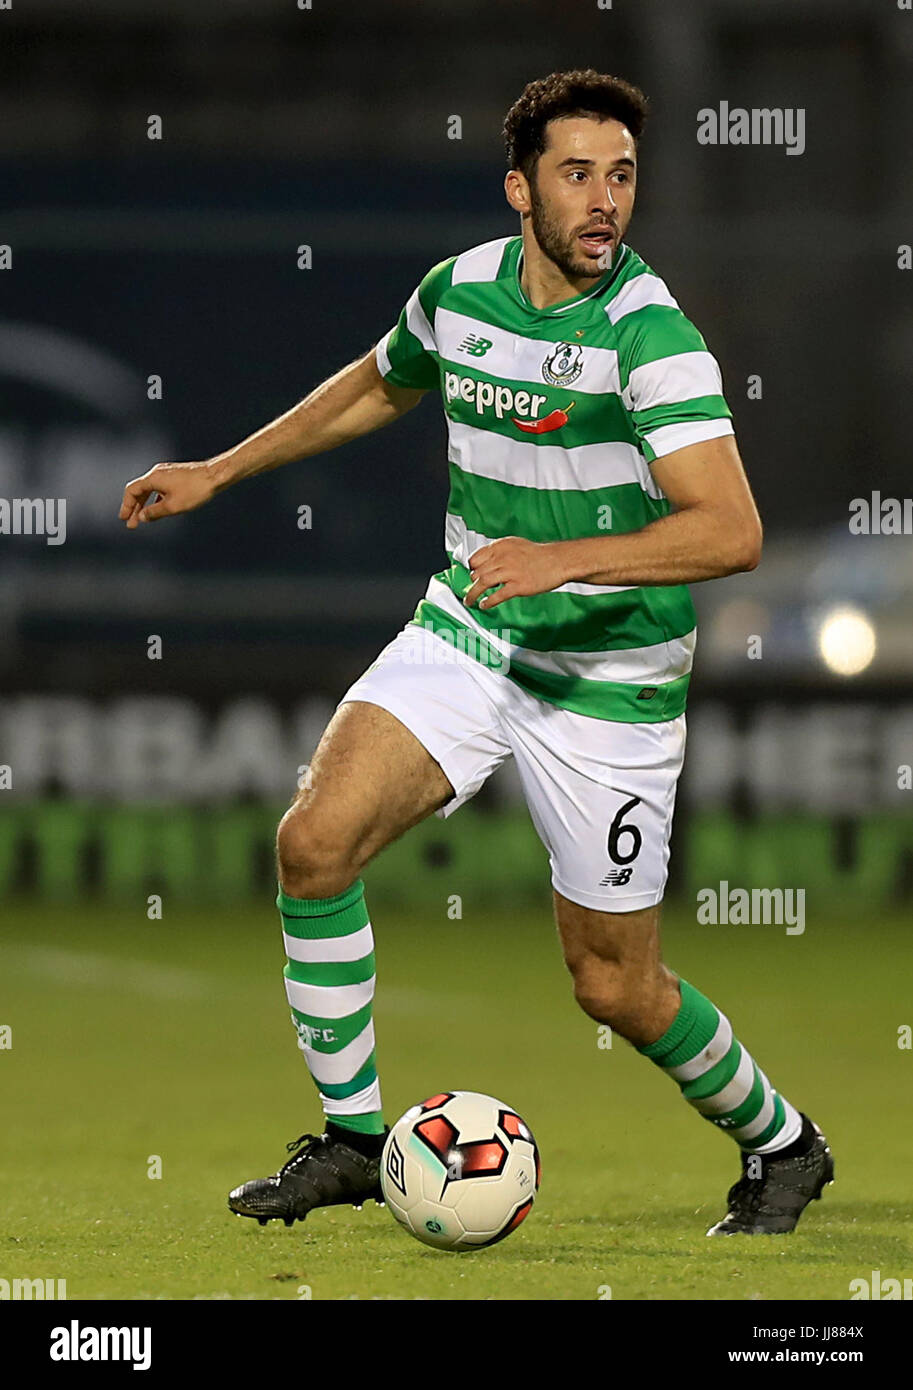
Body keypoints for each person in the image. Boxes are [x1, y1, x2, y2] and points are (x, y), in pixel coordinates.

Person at [120, 70, 833, 1236]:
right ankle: (355, 1141)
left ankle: (783, 1142)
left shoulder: (650, 336)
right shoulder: (458, 292)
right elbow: (375, 385)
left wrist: (566, 559)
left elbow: (731, 529)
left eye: (621, 176)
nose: (604, 201)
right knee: (313, 842)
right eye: (576, 175)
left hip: (608, 677)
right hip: (471, 630)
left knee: (612, 983)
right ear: (519, 188)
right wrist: (219, 469)